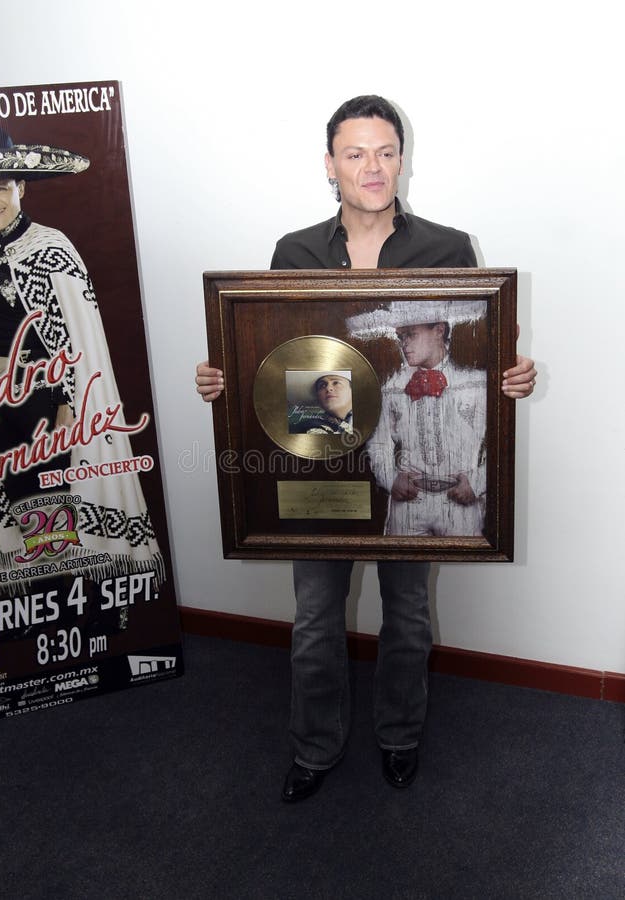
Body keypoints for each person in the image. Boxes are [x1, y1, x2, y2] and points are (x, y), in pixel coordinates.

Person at [196, 95, 536, 802]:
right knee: (316, 620)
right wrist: (224, 378)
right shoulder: (293, 251)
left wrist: (511, 376)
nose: (371, 166)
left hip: (417, 466)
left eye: (384, 151)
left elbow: (479, 340)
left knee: (406, 615)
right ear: (330, 164)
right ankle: (313, 750)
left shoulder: (447, 246)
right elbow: (278, 358)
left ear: (401, 159)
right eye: (355, 153)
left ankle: (398, 739)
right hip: (325, 459)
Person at [0, 124, 163, 589]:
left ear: (22, 188)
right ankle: (37, 602)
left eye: (1, 187)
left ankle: (75, 605)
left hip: (47, 405)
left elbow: (77, 344)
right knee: (14, 506)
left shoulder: (51, 249)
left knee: (54, 510)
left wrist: (68, 413)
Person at [347, 300, 487, 536]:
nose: (405, 344)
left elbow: (501, 442)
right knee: (401, 569)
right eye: (401, 337)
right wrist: (391, 479)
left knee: (465, 572)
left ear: (439, 330)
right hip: (409, 504)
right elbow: (378, 443)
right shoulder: (391, 388)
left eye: (411, 334)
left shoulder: (476, 384)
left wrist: (477, 482)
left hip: (461, 501)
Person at [287, 370, 353, 434]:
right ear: (318, 399)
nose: (328, 388)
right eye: (322, 385)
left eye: (336, 383)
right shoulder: (311, 426)